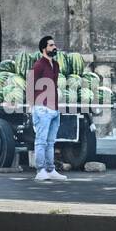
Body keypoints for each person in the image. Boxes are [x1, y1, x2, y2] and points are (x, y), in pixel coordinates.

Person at [29, 35, 66, 181]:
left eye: (54, 45)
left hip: (54, 108)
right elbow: (31, 84)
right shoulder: (39, 65)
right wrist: (32, 107)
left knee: (51, 142)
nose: (54, 47)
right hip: (42, 108)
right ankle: (40, 170)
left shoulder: (55, 65)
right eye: (51, 45)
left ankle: (51, 170)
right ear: (44, 48)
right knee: (41, 141)